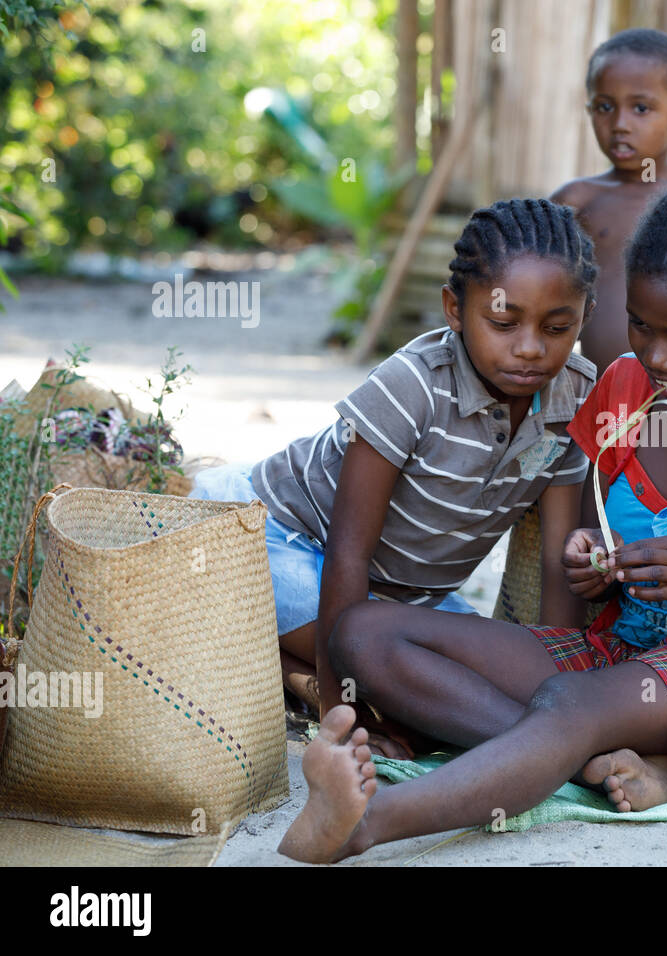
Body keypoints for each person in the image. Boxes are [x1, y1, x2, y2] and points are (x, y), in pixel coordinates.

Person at [278, 178, 667, 863]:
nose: (658, 357)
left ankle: (368, 823)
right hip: (625, 654)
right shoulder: (623, 387)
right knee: (366, 633)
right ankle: (591, 759)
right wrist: (594, 562)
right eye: (642, 326)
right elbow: (582, 541)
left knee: (571, 703)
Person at [191, 198, 599, 758]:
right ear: (454, 309)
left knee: (461, 680)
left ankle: (553, 736)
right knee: (405, 671)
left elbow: (559, 564)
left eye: (557, 327)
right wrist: (348, 713)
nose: (530, 348)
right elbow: (347, 556)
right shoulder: (412, 386)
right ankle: (304, 679)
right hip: (269, 540)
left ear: (584, 317)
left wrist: (561, 683)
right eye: (503, 323)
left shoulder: (574, 397)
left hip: (398, 603)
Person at [551, 28, 667, 375]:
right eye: (604, 107)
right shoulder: (576, 202)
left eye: (641, 108)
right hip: (595, 395)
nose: (619, 124)